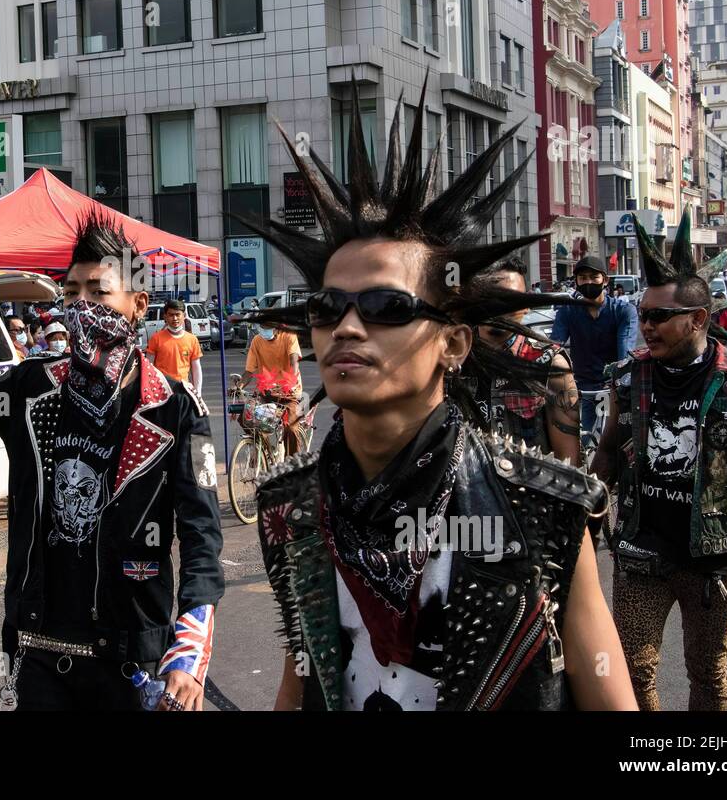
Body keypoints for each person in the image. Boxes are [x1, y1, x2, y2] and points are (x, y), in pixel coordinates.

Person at [241, 87, 635, 711]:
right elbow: (308, 667)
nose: (347, 327)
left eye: (385, 307)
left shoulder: (542, 507)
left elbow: (606, 692)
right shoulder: (289, 510)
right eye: (327, 308)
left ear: (453, 343)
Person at [0, 213, 224, 711]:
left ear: (138, 304)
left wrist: (188, 653)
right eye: (71, 292)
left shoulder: (172, 408)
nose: (81, 305)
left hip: (133, 660)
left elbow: (202, 536)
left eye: (99, 292)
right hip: (38, 653)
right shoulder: (32, 389)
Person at [592, 210, 727, 711]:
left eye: (658, 316)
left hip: (715, 560)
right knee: (631, 668)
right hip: (641, 553)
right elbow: (609, 450)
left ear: (697, 319)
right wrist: (584, 518)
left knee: (707, 675)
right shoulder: (628, 379)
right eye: (642, 313)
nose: (645, 325)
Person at [466, 255, 580, 464]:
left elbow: (569, 465)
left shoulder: (549, 366)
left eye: (510, 299)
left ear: (526, 305)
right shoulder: (450, 360)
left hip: (526, 494)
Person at [550, 254, 639, 438]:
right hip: (580, 389)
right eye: (583, 278)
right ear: (576, 282)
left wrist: (618, 379)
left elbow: (625, 351)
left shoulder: (623, 311)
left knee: (611, 438)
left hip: (612, 388)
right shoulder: (567, 311)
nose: (588, 282)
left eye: (594, 277)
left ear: (604, 280)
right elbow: (555, 347)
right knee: (582, 438)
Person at [241, 324, 304, 456]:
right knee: (245, 417)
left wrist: (291, 380)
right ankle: (265, 449)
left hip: (289, 392)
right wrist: (238, 386)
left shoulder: (289, 336)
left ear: (277, 327)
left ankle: (293, 465)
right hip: (266, 392)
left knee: (291, 429)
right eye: (262, 327)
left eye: (267, 327)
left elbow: (294, 362)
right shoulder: (257, 341)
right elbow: (249, 370)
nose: (264, 330)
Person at [145, 299, 204, 393]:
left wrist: (198, 392)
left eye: (177, 314)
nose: (175, 318)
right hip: (162, 390)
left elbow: (196, 369)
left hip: (184, 390)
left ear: (184, 316)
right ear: (165, 317)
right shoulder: (156, 338)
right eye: (171, 315)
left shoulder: (192, 339)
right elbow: (148, 367)